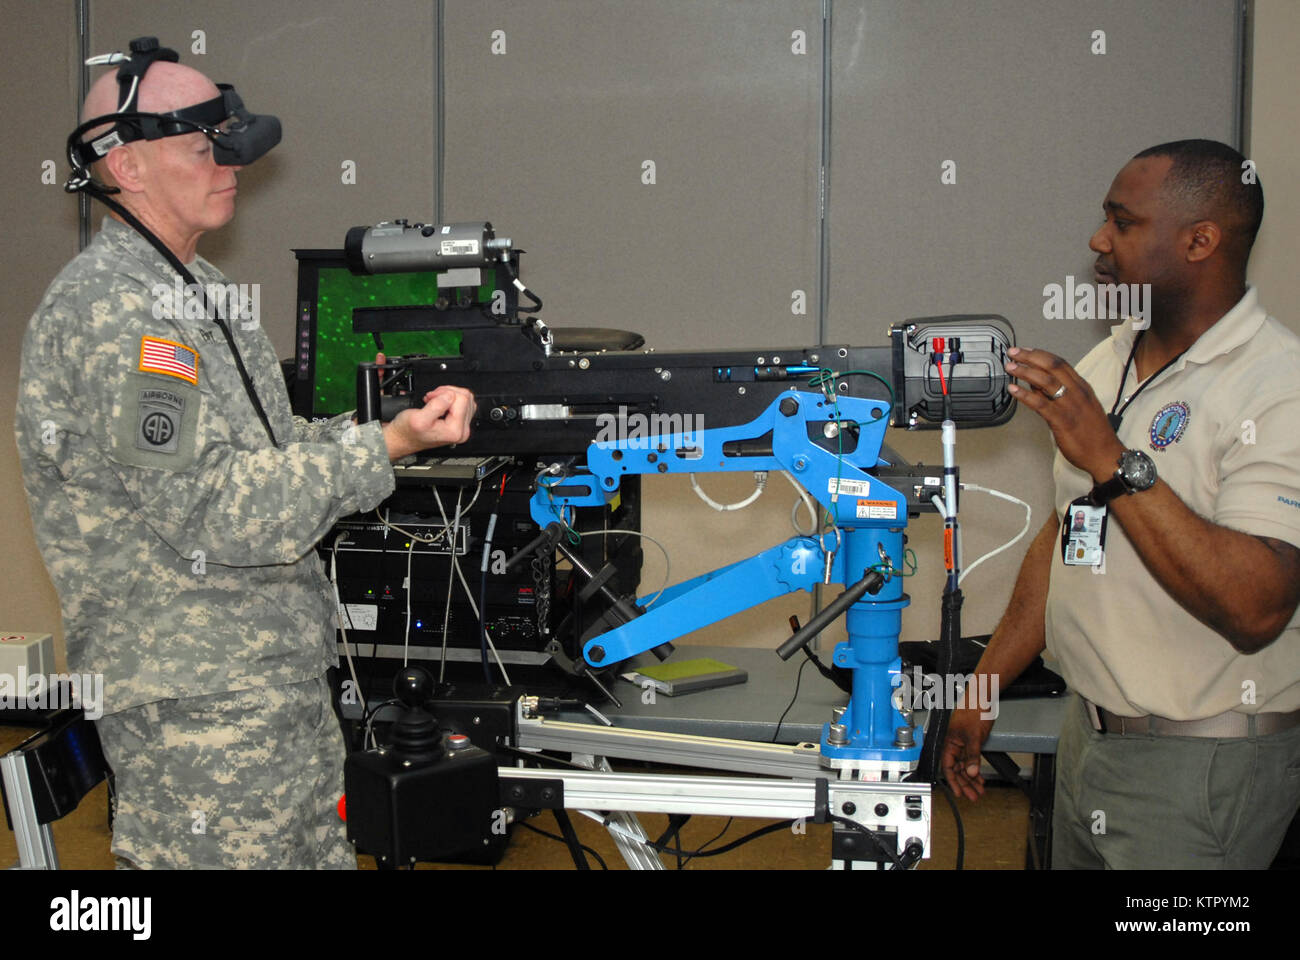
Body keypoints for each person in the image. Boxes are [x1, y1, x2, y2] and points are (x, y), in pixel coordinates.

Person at [14, 46, 475, 868]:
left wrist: (384, 428)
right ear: (127, 167)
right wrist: (382, 449)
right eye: (205, 147)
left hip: (262, 682)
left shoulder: (192, 292)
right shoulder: (120, 313)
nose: (232, 164)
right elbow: (215, 510)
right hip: (200, 710)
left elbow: (268, 450)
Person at [940, 139, 1300, 869]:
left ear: (1201, 240)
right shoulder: (1112, 359)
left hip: (1200, 769)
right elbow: (1073, 530)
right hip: (1088, 744)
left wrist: (1109, 458)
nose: (1098, 241)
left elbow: (1257, 608)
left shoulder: (1278, 386)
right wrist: (982, 689)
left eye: (1122, 222)